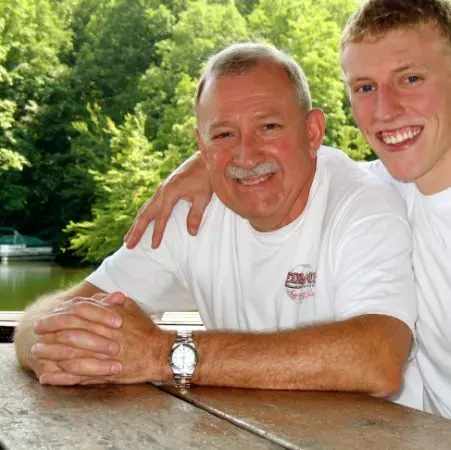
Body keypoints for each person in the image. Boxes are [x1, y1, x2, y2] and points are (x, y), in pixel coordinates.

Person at [14, 43, 417, 405]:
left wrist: (163, 354)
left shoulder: (361, 203)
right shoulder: (190, 213)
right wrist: (61, 346)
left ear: (312, 132)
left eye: (269, 127)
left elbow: (377, 361)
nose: (246, 154)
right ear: (202, 147)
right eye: (224, 134)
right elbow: (39, 323)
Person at [125, 0, 451, 418]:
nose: (385, 110)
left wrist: (165, 354)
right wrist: (210, 162)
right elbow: (297, 157)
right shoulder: (391, 183)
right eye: (365, 87)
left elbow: (378, 360)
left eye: (410, 78)